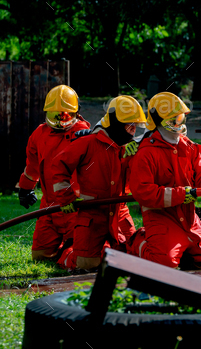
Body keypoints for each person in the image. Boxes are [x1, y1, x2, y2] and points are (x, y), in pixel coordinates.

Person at [128, 92, 201, 268]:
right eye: (174, 119)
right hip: (161, 219)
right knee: (164, 263)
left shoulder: (189, 147)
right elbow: (142, 191)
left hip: (189, 219)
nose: (180, 123)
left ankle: (178, 249)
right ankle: (137, 242)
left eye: (181, 118)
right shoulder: (146, 153)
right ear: (160, 121)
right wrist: (181, 195)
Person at [52, 95, 145, 270]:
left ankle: (105, 250)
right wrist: (66, 198)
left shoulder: (130, 149)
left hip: (120, 214)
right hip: (92, 215)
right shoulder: (88, 143)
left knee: (131, 262)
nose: (133, 131)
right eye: (129, 125)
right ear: (116, 124)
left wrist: (136, 157)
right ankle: (68, 253)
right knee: (86, 265)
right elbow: (58, 165)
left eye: (135, 126)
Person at [17, 85, 91, 261]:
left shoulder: (83, 134)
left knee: (76, 254)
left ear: (75, 113)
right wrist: (26, 188)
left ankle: (70, 248)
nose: (60, 121)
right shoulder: (39, 134)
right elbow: (33, 165)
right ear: (47, 113)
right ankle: (64, 248)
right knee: (40, 255)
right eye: (54, 115)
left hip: (75, 207)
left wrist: (90, 140)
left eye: (65, 115)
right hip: (49, 207)